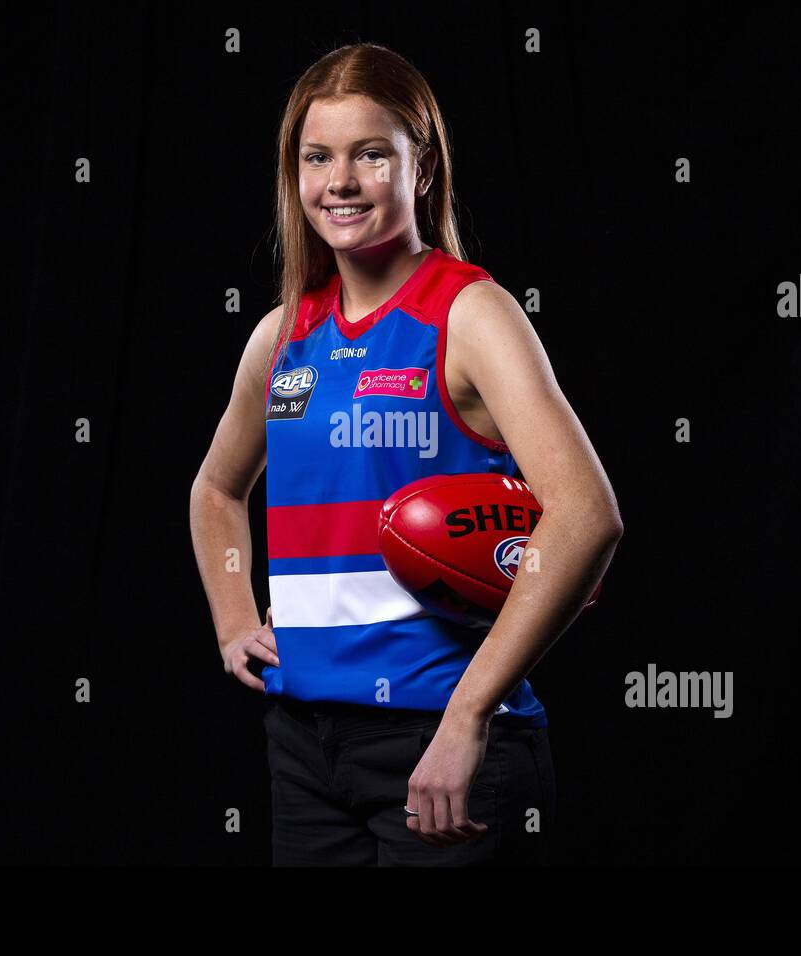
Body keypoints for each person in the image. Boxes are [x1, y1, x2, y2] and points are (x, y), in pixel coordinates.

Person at [189, 42, 624, 866]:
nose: (339, 183)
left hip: (442, 744)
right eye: (318, 157)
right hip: (306, 748)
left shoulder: (471, 314)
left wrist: (469, 717)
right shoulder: (282, 337)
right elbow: (216, 489)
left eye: (370, 155)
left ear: (420, 168)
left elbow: (587, 515)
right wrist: (235, 619)